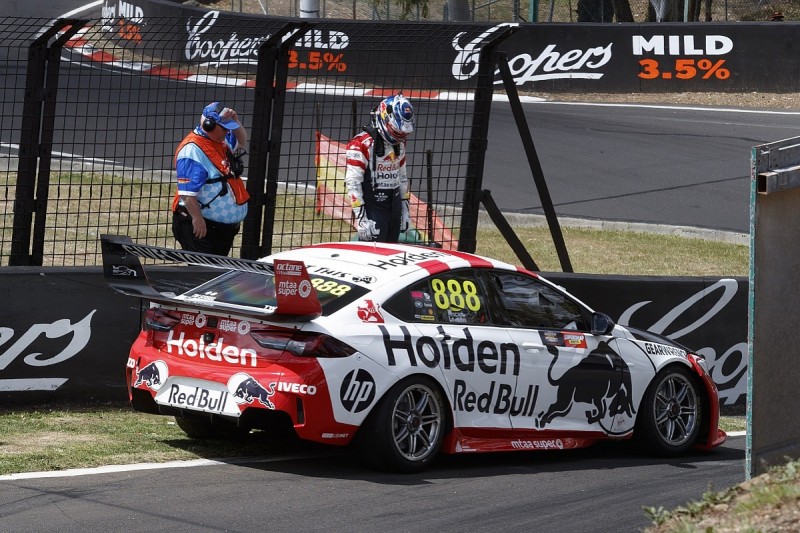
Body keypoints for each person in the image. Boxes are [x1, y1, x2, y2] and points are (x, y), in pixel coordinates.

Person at [171, 102, 250, 256]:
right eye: (225, 128)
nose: (228, 132)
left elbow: (242, 140)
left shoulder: (220, 141)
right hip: (202, 227)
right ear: (209, 125)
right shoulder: (191, 151)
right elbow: (187, 193)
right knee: (203, 269)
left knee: (216, 268)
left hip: (220, 230)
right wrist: (197, 219)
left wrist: (235, 120)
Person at [345, 93, 415, 242]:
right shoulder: (360, 144)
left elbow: (402, 177)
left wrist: (405, 211)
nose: (400, 137)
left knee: (391, 250)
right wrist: (361, 218)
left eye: (404, 134)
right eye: (397, 132)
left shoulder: (400, 143)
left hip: (394, 205)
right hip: (373, 209)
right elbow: (353, 183)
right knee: (371, 252)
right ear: (385, 119)